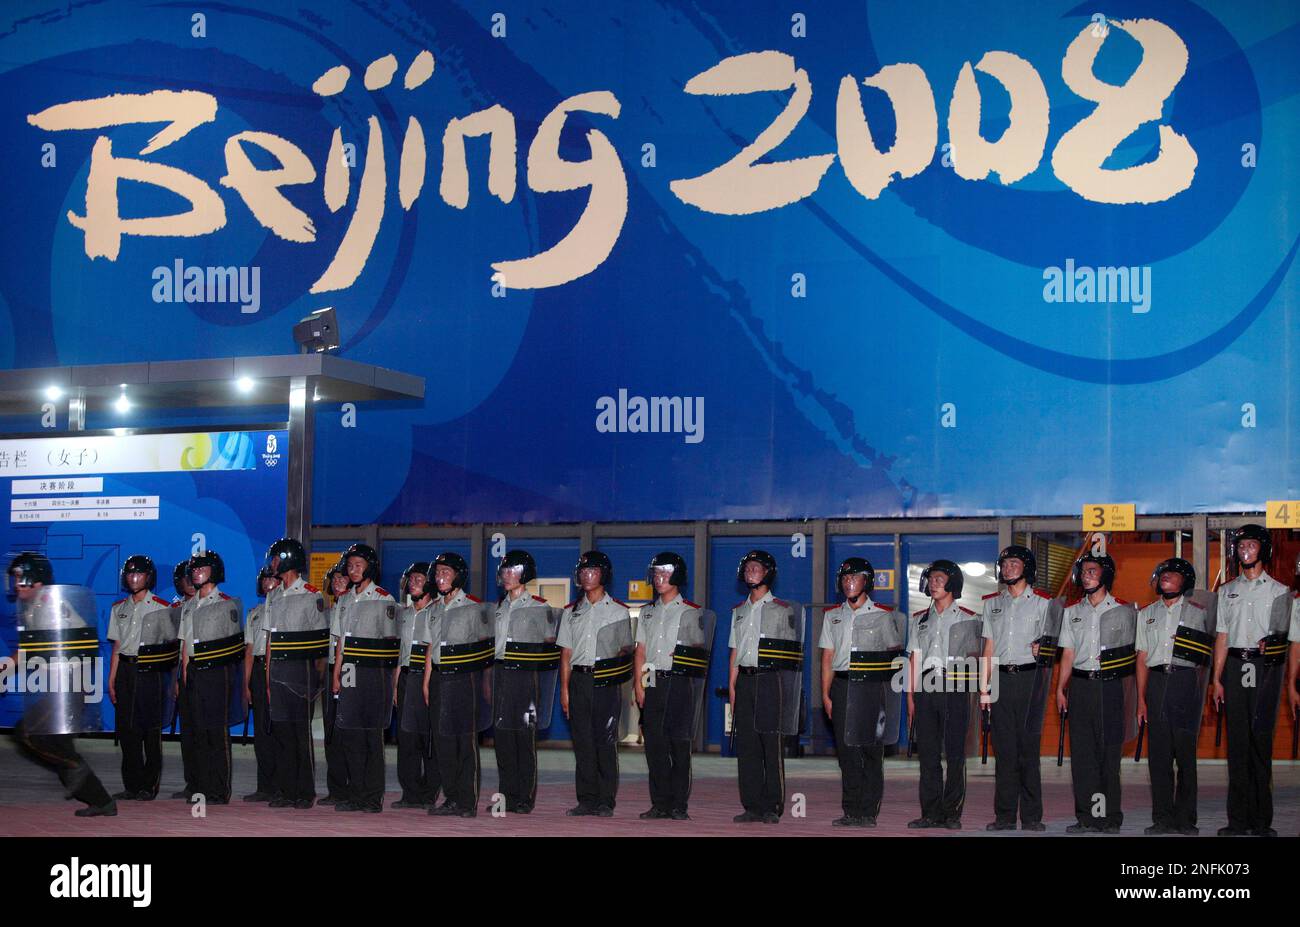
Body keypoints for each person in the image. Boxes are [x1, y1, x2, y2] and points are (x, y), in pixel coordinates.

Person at [8, 552, 116, 817]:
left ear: (34, 579)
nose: (14, 584)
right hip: (59, 685)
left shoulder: (48, 605)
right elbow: (27, 651)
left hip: (67, 686)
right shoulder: (35, 606)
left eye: (20, 578)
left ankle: (82, 778)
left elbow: (34, 652)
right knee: (57, 744)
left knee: (29, 734)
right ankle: (102, 801)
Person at [1211, 524, 1290, 837]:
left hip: (1263, 669)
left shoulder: (1280, 592)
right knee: (1238, 746)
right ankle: (1237, 821)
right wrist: (1216, 679)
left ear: (1264, 550)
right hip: (1234, 665)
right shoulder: (1226, 591)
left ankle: (1261, 821)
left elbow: (1285, 638)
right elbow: (1221, 636)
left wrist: (1274, 645)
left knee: (1260, 744)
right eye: (1241, 544)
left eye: (1252, 544)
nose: (1245, 549)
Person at [979, 545, 1060, 832]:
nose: (1008, 568)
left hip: (1030, 679)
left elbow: (1055, 646)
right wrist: (983, 688)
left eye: (1014, 563)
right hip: (1000, 678)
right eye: (1005, 563)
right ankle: (1003, 816)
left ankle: (1031, 817)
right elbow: (988, 647)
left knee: (1028, 751)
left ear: (1026, 568)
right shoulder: (991, 604)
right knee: (1004, 752)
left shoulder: (1044, 603)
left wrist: (1046, 649)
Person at [1056, 552, 1137, 834]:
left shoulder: (1126, 611)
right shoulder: (1071, 612)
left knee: (1108, 757)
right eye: (1084, 571)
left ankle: (1109, 817)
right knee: (1082, 758)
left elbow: (1135, 656)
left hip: (1111, 687)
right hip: (1080, 687)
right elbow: (1068, 652)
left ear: (1106, 575)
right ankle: (1087, 817)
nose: (1087, 575)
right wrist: (1060, 688)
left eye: (1093, 571)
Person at [818, 556, 902, 827]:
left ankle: (868, 812)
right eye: (844, 578)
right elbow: (827, 659)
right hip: (843, 687)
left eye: (853, 578)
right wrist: (826, 695)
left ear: (867, 582)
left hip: (873, 689)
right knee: (847, 752)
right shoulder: (832, 616)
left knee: (870, 751)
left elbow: (894, 660)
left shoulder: (883, 615)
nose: (848, 582)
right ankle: (850, 810)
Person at [634, 551, 714, 821]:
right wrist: (640, 686)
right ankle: (660, 803)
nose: (659, 579)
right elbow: (641, 652)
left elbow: (699, 651)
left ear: (677, 575)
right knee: (654, 747)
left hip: (681, 683)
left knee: (679, 746)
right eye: (656, 573)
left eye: (665, 573)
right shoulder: (646, 613)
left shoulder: (692, 612)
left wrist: (683, 656)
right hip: (654, 680)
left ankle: (679, 805)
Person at [1136, 557, 1212, 836]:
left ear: (1185, 581)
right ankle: (1162, 819)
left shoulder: (1199, 612)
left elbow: (1207, 659)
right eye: (1162, 574)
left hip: (1185, 682)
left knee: (1185, 756)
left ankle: (1186, 820)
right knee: (1158, 757)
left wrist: (1203, 694)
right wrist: (1141, 699)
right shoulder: (1146, 614)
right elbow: (1142, 658)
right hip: (1156, 682)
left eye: (1172, 575)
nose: (1165, 578)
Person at [728, 549, 802, 824]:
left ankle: (773, 806)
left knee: (770, 744)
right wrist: (733, 689)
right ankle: (752, 805)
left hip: (772, 681)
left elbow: (791, 658)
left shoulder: (783, 611)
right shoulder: (738, 611)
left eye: (756, 568)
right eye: (747, 568)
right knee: (746, 746)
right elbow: (734, 653)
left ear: (768, 572)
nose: (750, 572)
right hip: (745, 681)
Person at [907, 559, 981, 830]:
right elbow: (914, 657)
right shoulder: (919, 620)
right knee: (927, 755)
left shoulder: (969, 618)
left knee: (955, 754)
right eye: (931, 579)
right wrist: (910, 696)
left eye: (939, 578)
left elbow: (977, 658)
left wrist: (978, 694)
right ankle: (930, 812)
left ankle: (951, 813)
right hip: (926, 687)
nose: (934, 583)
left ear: (953, 583)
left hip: (956, 687)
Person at [557, 550, 633, 817]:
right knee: (583, 742)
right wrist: (565, 691)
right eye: (583, 571)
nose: (587, 575)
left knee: (605, 742)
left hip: (606, 682)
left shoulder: (619, 612)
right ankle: (586, 799)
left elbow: (625, 653)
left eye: (593, 571)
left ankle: (605, 800)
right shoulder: (570, 612)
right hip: (578, 680)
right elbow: (565, 654)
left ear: (604, 575)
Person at [422, 552, 492, 818]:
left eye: (446, 573)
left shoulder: (474, 607)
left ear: (458, 576)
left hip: (465, 680)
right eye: (438, 573)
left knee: (465, 741)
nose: (440, 577)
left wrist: (483, 684)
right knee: (443, 742)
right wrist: (427, 682)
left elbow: (485, 651)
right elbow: (430, 647)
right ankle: (451, 797)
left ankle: (467, 801)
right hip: (439, 679)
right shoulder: (435, 609)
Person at [331, 543, 398, 813]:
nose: (353, 570)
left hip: (375, 673)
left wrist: (391, 683)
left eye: (358, 565)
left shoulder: (384, 599)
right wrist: (336, 674)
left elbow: (393, 645)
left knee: (371, 735)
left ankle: (372, 797)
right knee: (350, 733)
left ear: (370, 567)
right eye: (350, 566)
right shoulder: (344, 600)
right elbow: (340, 642)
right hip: (349, 671)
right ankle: (355, 793)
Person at [491, 550, 559, 814]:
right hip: (500, 673)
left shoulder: (539, 607)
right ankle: (505, 795)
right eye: (504, 571)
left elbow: (549, 648)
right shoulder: (498, 607)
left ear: (525, 574)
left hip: (526, 676)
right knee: (502, 738)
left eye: (512, 571)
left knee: (523, 737)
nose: (507, 576)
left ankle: (524, 797)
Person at [263, 538, 328, 809]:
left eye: (277, 558)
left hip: (301, 672)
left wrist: (318, 680)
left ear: (289, 559)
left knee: (300, 734)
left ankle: (304, 792)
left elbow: (321, 644)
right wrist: (267, 676)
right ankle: (285, 790)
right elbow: (269, 639)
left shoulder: (312, 595)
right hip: (277, 670)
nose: (273, 563)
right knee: (281, 733)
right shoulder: (273, 595)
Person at [108, 554, 176, 801]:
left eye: (139, 573)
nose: (134, 577)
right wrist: (112, 679)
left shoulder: (162, 607)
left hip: (151, 672)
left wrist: (170, 682)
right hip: (125, 670)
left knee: (150, 730)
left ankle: (149, 785)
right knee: (127, 731)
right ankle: (132, 785)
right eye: (130, 573)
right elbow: (116, 646)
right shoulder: (119, 609)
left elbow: (171, 649)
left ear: (149, 577)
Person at [178, 550, 244, 804]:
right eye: (193, 569)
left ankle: (219, 789)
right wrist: (185, 675)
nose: (195, 572)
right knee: (197, 733)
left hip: (217, 672)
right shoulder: (188, 606)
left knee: (217, 732)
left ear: (214, 571)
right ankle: (201, 787)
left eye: (201, 568)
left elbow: (235, 646)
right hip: (193, 672)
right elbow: (184, 645)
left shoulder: (225, 604)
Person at [393, 562, 439, 809]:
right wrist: (395, 685)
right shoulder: (405, 614)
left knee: (427, 737)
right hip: (406, 678)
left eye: (419, 579)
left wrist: (428, 684)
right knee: (406, 737)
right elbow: (401, 653)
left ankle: (429, 792)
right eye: (410, 579)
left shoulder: (437, 612)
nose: (413, 583)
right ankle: (410, 792)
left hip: (428, 678)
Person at [241, 567, 280, 803]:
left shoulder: (284, 610)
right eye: (266, 578)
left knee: (278, 730)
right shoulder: (254, 613)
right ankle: (264, 786)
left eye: (274, 578)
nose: (269, 582)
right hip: (256, 668)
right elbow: (248, 650)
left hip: (277, 668)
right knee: (261, 733)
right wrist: (245, 684)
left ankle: (282, 785)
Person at [319, 557, 351, 805]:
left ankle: (351, 786)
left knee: (347, 728)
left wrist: (339, 675)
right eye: (335, 579)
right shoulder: (330, 610)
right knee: (331, 731)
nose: (338, 582)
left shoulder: (353, 605)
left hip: (349, 670)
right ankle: (336, 788)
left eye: (343, 578)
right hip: (330, 669)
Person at [169, 562, 199, 800]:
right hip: (180, 673)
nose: (188, 582)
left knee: (203, 733)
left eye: (192, 577)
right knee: (187, 734)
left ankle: (205, 784)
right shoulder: (175, 609)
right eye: (184, 578)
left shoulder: (210, 604)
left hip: (202, 674)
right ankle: (191, 783)